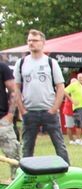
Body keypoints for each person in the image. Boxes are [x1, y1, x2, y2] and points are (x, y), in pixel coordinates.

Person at [13, 29, 69, 163]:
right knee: (27, 148)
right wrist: (22, 110)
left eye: (35, 40)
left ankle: (67, 173)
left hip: (48, 111)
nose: (32, 43)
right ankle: (26, 177)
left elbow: (60, 87)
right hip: (29, 112)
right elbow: (16, 88)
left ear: (43, 43)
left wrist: (54, 109)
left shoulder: (51, 62)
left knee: (59, 146)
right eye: (29, 41)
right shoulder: (21, 63)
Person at [0, 59, 21, 178]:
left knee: (14, 158)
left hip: (2, 122)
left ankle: (17, 187)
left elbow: (14, 91)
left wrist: (10, 115)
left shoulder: (2, 67)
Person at [63, 73, 82, 145]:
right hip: (76, 107)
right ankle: (77, 139)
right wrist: (72, 100)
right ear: (77, 78)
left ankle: (78, 139)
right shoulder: (74, 85)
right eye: (79, 77)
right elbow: (64, 91)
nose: (81, 78)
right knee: (77, 124)